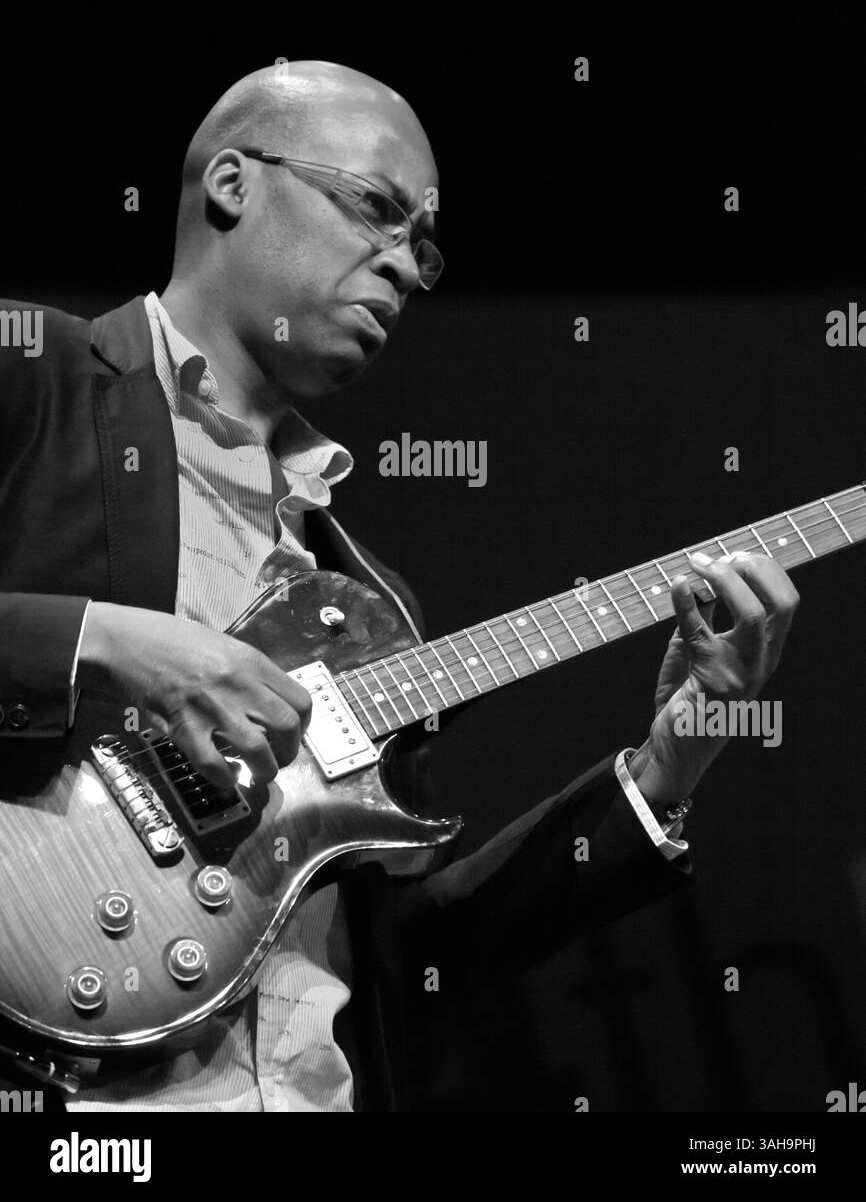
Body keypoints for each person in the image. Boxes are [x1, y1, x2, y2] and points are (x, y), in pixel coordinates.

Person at [0, 61, 799, 1112]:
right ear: (234, 184)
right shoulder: (36, 374)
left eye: (420, 249)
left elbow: (411, 946)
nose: (402, 267)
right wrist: (110, 640)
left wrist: (668, 760)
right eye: (377, 210)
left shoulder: (365, 595)